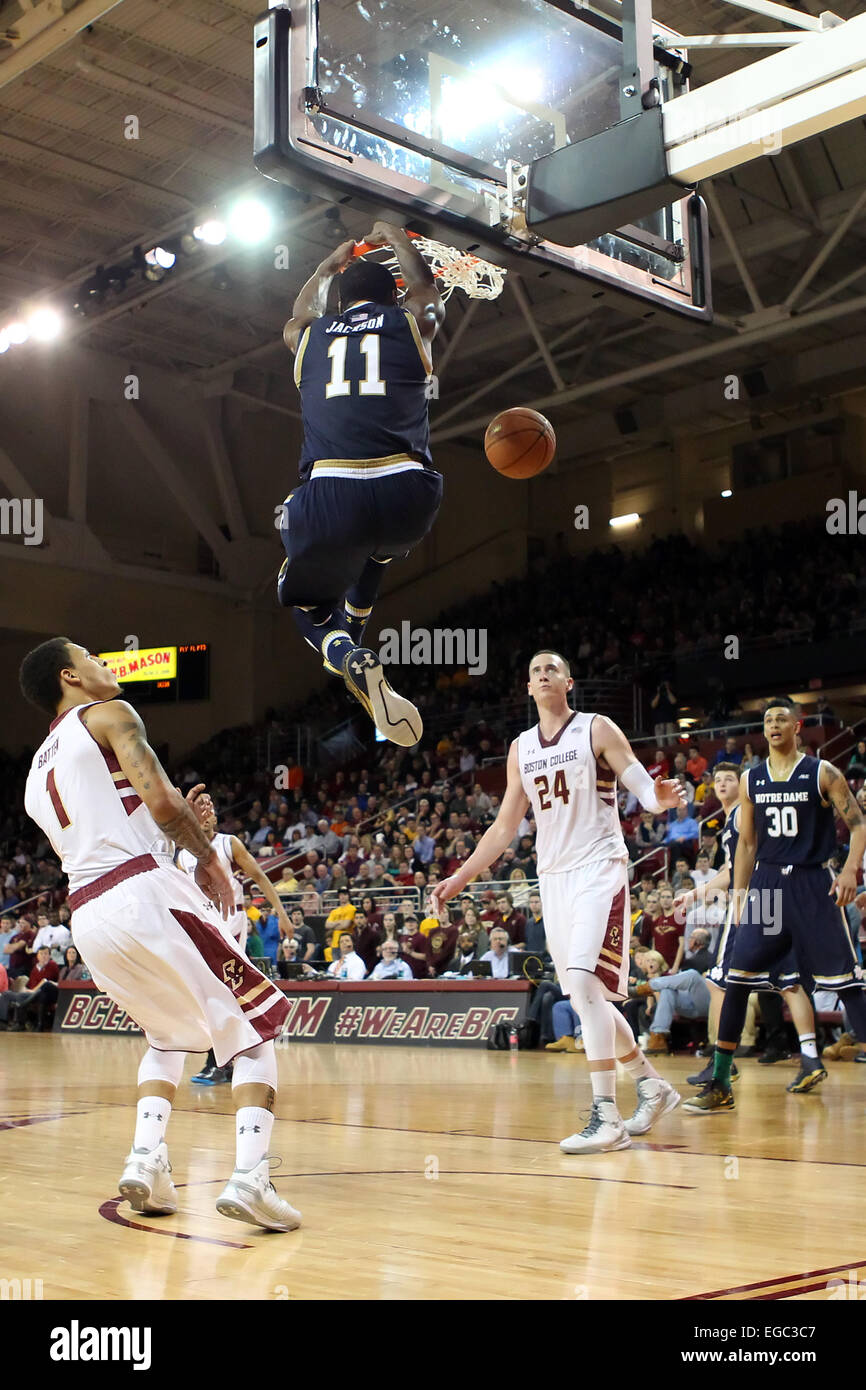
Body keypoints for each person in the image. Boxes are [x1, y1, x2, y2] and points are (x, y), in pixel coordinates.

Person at [20, 638, 300, 1232]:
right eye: (93, 657)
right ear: (70, 676)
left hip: (89, 916)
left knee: (167, 1036)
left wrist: (173, 837)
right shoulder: (111, 715)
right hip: (142, 896)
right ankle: (251, 1176)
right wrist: (206, 856)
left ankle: (146, 1162)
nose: (106, 664)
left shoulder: (35, 771)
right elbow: (161, 800)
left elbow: (116, 831)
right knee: (254, 1028)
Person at [432, 650, 684, 1155]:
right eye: (535, 672)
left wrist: (659, 799)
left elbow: (640, 783)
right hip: (554, 879)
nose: (543, 676)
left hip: (600, 869)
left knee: (588, 988)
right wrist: (460, 876)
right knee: (582, 997)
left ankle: (606, 1117)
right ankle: (650, 1084)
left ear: (568, 681)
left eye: (552, 669)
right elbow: (505, 827)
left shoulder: (596, 727)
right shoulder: (521, 748)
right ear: (528, 689)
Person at [279, 222, 445, 747]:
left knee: (300, 595)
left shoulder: (308, 336)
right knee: (376, 550)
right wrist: (398, 238)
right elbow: (427, 294)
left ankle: (342, 651)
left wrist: (329, 265)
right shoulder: (411, 322)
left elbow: (297, 314)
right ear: (392, 294)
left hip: (334, 493)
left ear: (339, 301)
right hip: (410, 495)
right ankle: (354, 634)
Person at [686, 696, 866, 1113]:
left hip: (812, 881)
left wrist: (849, 871)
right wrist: (742, 895)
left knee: (846, 982)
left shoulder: (823, 771)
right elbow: (747, 843)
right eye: (767, 720)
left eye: (781, 719)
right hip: (767, 883)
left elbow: (857, 825)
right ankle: (719, 1081)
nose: (773, 725)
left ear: (798, 725)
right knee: (736, 979)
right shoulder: (751, 780)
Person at [676, 759, 824, 1092]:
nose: (725, 784)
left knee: (718, 982)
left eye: (731, 779)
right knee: (788, 980)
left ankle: (720, 1061)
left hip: (755, 901)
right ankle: (811, 1056)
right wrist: (698, 894)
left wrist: (729, 897)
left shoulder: (743, 814)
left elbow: (745, 863)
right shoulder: (732, 817)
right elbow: (731, 869)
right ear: (713, 786)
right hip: (773, 898)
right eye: (721, 780)